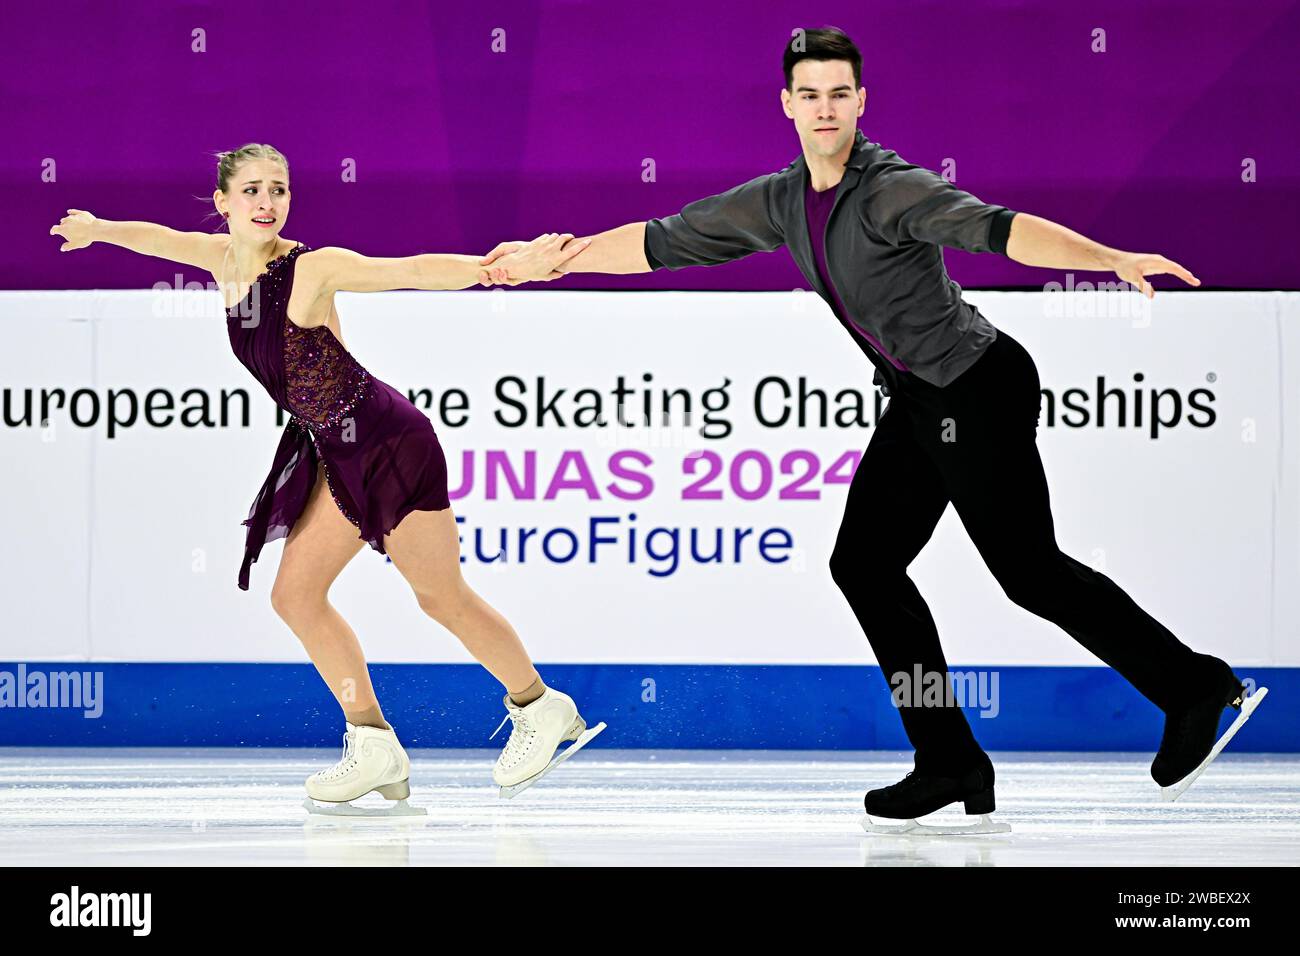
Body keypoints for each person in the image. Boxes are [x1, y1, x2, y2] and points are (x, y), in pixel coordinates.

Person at [480, 28, 1260, 825]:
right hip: (920, 400)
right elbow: (665, 241)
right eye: (809, 94)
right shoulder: (781, 199)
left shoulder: (892, 188)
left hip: (977, 390)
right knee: (864, 564)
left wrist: (1108, 257)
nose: (825, 109)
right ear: (787, 105)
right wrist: (560, 259)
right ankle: (949, 757)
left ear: (860, 101)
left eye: (839, 93)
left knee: (1029, 574)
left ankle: (1198, 688)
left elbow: (999, 227)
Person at [48, 143, 602, 810]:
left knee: (440, 597)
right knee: (296, 595)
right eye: (251, 190)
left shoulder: (311, 268)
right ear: (222, 202)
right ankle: (373, 744)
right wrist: (99, 230)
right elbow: (159, 237)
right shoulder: (222, 261)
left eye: (277, 190)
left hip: (386, 442)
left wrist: (499, 269)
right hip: (329, 447)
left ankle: (541, 706)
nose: (266, 202)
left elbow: (414, 270)